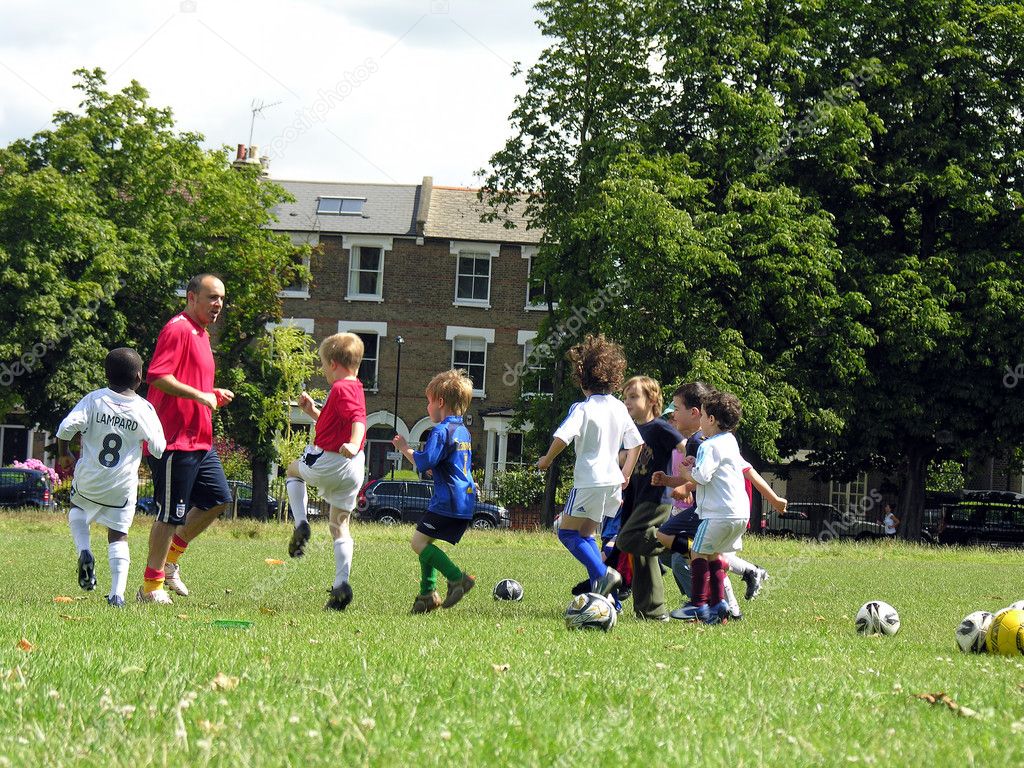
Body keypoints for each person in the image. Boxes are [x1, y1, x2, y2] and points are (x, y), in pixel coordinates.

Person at [137, 274, 234, 605]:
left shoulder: (202, 334)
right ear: (192, 297)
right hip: (174, 441)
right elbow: (158, 376)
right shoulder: (177, 328)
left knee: (219, 498)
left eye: (221, 298)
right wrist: (200, 395)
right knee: (169, 514)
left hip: (200, 440)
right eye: (211, 297)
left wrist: (211, 394)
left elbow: (190, 383)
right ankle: (150, 588)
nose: (218, 303)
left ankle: (170, 561)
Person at [56, 348, 166, 607]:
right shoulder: (144, 408)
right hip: (122, 486)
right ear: (139, 377)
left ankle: (84, 550)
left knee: (78, 510)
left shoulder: (94, 399)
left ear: (106, 375)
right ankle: (117, 594)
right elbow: (159, 449)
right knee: (118, 534)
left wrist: (63, 454)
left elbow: (65, 428)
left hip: (90, 478)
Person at [537, 335, 643, 597]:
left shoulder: (583, 408)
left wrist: (546, 460)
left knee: (567, 533)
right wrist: (625, 474)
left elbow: (563, 437)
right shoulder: (619, 407)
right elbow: (636, 445)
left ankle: (604, 574)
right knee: (586, 534)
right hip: (612, 484)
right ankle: (608, 599)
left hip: (589, 481)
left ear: (582, 380)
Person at [285, 333, 367, 611]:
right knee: (339, 525)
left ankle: (300, 523)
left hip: (332, 459)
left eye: (322, 364)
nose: (322, 370)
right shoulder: (356, 386)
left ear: (333, 363)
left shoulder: (341, 388)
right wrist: (312, 411)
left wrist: (354, 443)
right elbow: (338, 422)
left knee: (292, 471)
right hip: (353, 468)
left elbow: (357, 421)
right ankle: (341, 584)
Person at [657, 389, 750, 624]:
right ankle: (719, 605)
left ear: (711, 419)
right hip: (738, 514)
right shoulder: (730, 441)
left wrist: (687, 471)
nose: (700, 422)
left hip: (716, 514)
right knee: (712, 556)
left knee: (697, 553)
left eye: (703, 416)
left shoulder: (709, 445)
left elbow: (701, 478)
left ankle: (698, 604)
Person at [392, 369, 478, 613]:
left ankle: (456, 577)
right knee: (426, 540)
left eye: (428, 401)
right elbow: (448, 462)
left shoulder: (440, 430)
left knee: (418, 543)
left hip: (447, 500)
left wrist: (404, 448)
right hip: (464, 499)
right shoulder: (463, 431)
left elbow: (423, 462)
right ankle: (427, 594)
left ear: (440, 402)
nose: (427, 407)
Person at [616, 376, 685, 621]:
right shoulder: (633, 431)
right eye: (625, 397)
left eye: (633, 397)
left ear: (652, 399)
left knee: (626, 540)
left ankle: (682, 546)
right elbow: (623, 460)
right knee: (641, 556)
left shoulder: (659, 427)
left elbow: (684, 446)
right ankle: (652, 611)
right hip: (637, 498)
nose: (627, 402)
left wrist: (691, 474)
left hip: (657, 499)